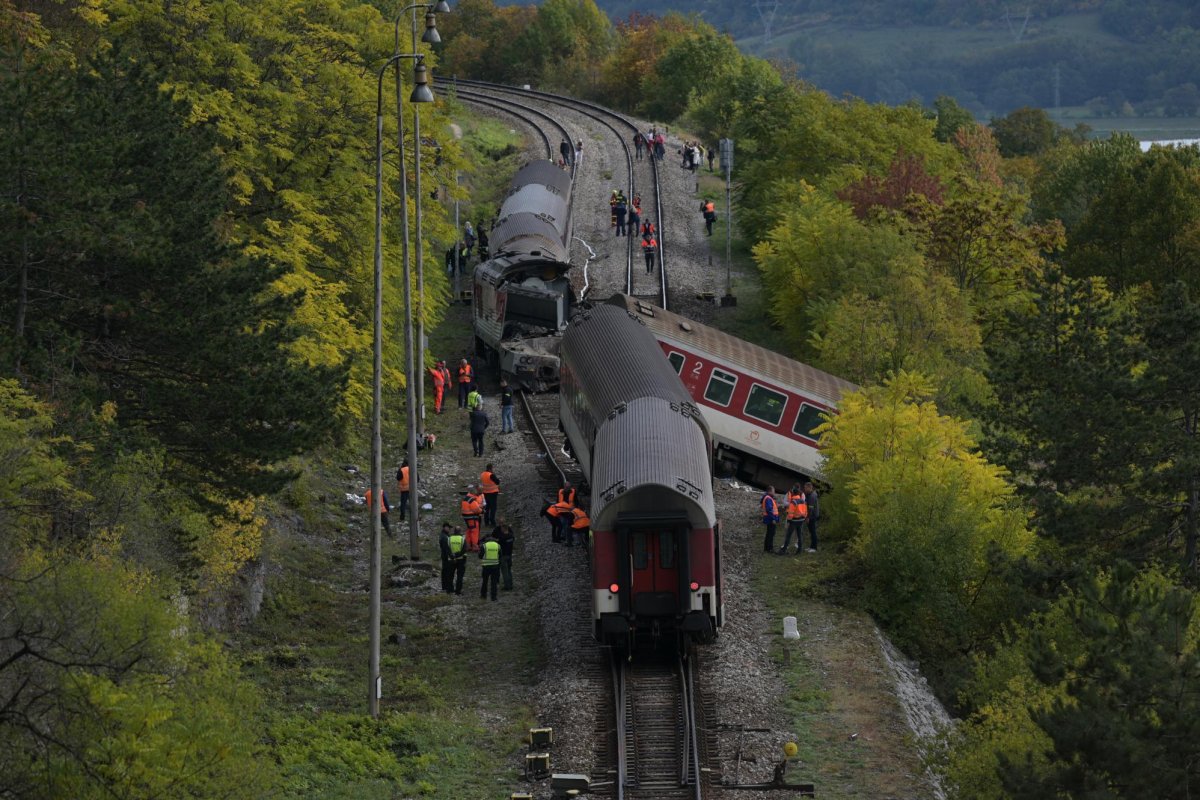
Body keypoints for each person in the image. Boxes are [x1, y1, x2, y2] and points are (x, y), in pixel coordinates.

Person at [780, 483, 809, 554]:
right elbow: (805, 511)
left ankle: (784, 549)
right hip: (801, 520)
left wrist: (789, 520)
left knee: (788, 534)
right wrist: (804, 517)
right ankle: (799, 549)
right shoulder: (803, 501)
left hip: (793, 520)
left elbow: (790, 513)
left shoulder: (793, 502)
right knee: (799, 535)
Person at [479, 528, 501, 601]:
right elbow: (500, 556)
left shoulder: (484, 546)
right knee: (494, 582)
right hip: (495, 566)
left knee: (485, 581)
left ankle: (483, 595)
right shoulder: (498, 545)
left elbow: (480, 556)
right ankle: (493, 597)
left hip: (486, 566)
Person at [493, 519, 515, 590]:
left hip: (503, 556)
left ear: (504, 529)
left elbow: (497, 541)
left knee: (505, 572)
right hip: (510, 555)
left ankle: (507, 586)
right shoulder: (511, 536)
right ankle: (511, 584)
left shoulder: (502, 538)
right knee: (509, 570)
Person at [461, 486, 484, 552]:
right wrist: (482, 511)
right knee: (474, 532)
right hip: (472, 518)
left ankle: (468, 546)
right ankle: (475, 547)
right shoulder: (472, 500)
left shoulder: (466, 498)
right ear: (473, 492)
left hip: (466, 518)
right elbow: (476, 509)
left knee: (469, 531)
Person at [447, 525, 467, 594]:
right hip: (461, 559)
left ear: (454, 531)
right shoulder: (462, 539)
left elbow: (447, 549)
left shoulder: (449, 538)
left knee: (450, 575)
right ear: (460, 531)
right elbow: (464, 550)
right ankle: (458, 591)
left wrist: (453, 556)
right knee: (460, 576)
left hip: (451, 560)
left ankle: (450, 590)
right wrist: (457, 555)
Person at [761, 485, 779, 553]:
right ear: (770, 491)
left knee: (769, 533)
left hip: (768, 518)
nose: (774, 492)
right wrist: (773, 519)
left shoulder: (767, 497)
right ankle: (769, 548)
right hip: (770, 519)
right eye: (773, 491)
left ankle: (767, 548)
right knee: (771, 534)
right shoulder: (768, 498)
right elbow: (769, 510)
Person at [803, 482, 820, 552]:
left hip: (812, 517)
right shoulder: (809, 494)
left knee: (813, 532)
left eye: (806, 488)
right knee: (811, 531)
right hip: (811, 516)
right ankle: (811, 547)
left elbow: (811, 508)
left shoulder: (812, 496)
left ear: (810, 488)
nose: (804, 489)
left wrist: (808, 517)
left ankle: (814, 548)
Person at [438, 522, 455, 593]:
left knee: (445, 571)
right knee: (447, 572)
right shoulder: (444, 537)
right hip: (446, 557)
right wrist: (451, 556)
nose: (450, 529)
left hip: (444, 556)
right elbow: (446, 548)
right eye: (449, 528)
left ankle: (445, 587)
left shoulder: (444, 535)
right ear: (445, 527)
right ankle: (447, 587)